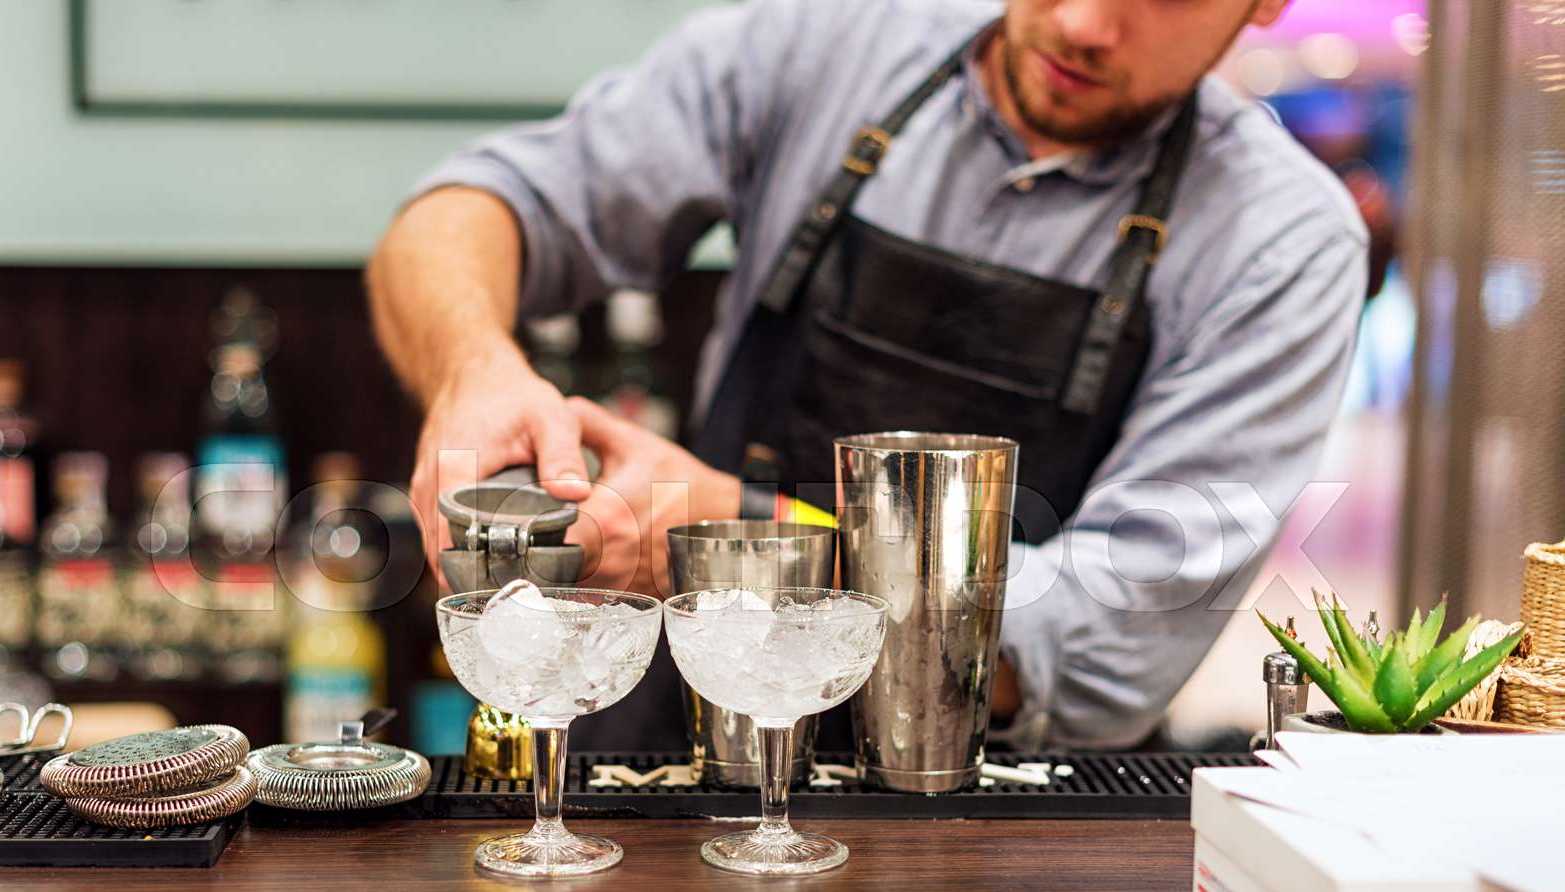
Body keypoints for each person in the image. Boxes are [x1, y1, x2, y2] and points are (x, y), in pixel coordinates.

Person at [368, 0, 1367, 751]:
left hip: (991, 829)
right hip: (679, 752)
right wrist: (472, 367)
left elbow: (1103, 642)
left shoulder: (1280, 242)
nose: (1082, 22)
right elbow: (483, 202)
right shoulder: (827, 41)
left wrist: (746, 553)